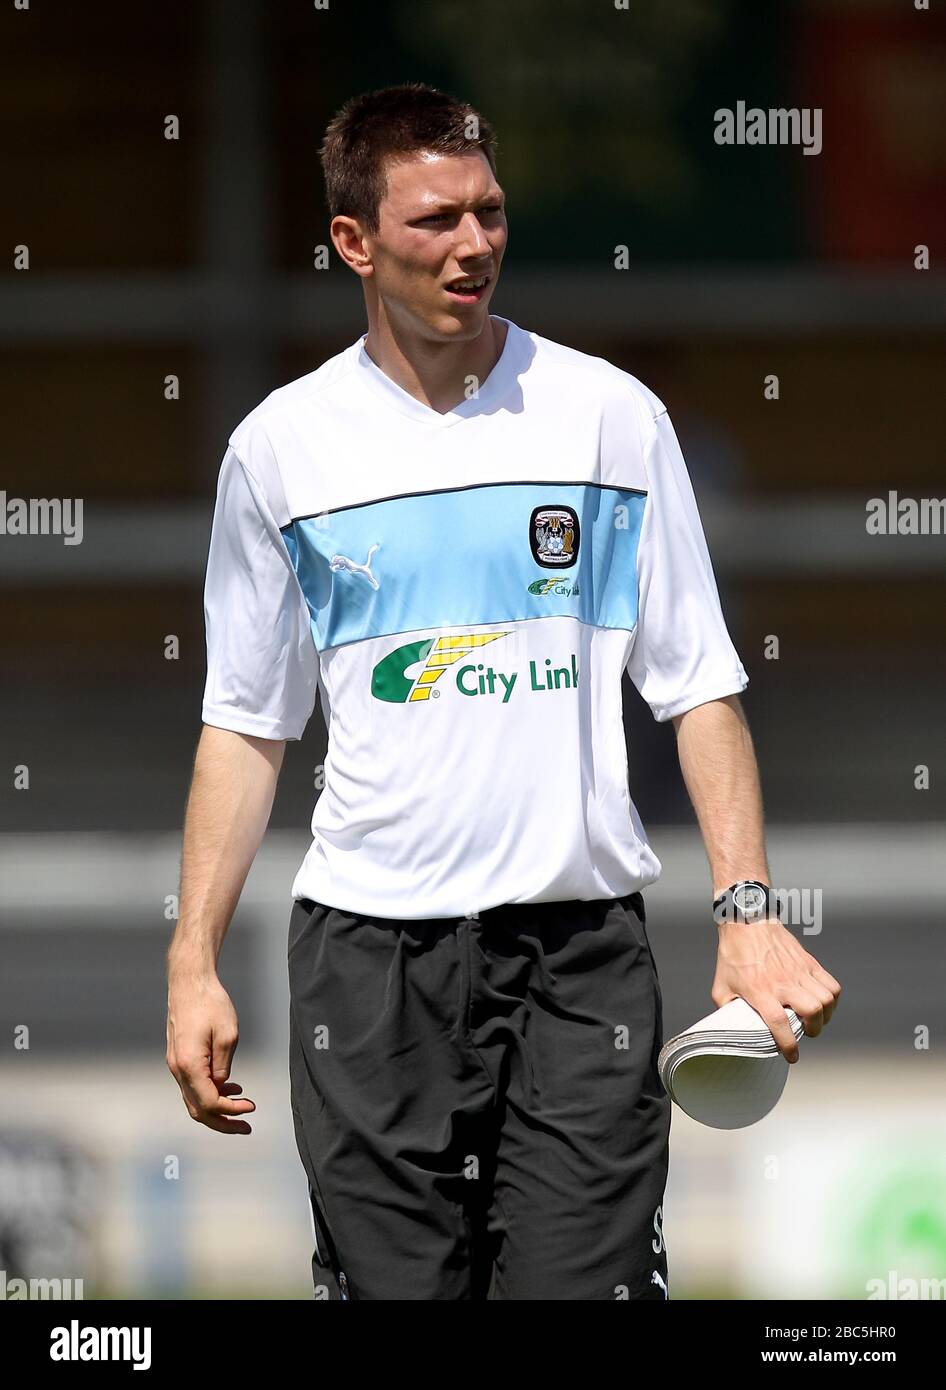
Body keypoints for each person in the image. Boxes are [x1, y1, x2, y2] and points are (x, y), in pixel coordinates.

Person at [165, 82, 841, 1301]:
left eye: (489, 212)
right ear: (355, 242)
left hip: (579, 960)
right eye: (434, 221)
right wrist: (192, 962)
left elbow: (700, 690)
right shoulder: (281, 445)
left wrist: (747, 912)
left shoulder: (608, 417)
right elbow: (247, 722)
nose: (472, 244)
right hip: (366, 972)